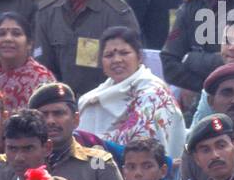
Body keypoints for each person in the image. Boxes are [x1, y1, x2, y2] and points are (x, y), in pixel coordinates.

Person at [78, 26, 186, 162]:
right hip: (96, 173)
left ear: (139, 57)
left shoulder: (154, 94)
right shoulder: (90, 100)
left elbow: (145, 144)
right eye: (109, 55)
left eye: (124, 53)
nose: (117, 60)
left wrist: (100, 145)